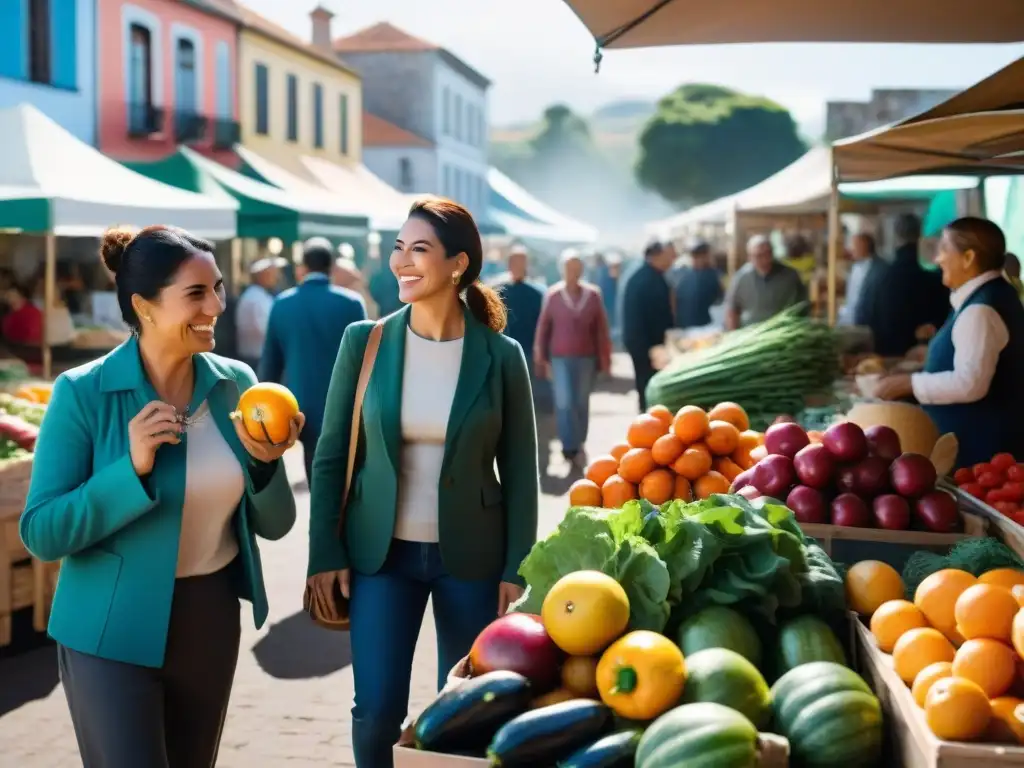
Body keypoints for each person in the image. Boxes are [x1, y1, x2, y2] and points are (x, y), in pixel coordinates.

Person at [19, 225, 301, 768]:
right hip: (107, 625)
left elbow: (277, 525)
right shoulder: (82, 392)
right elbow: (43, 532)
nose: (216, 305)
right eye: (196, 294)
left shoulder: (238, 384)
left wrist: (267, 467)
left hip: (209, 620)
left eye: (218, 288)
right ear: (144, 306)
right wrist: (131, 470)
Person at [305, 197, 539, 768]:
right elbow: (332, 455)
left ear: (458, 264)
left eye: (419, 250)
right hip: (380, 557)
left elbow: (523, 469)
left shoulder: (501, 355)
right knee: (376, 708)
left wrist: (518, 566)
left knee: (461, 709)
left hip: (474, 558)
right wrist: (323, 553)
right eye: (398, 249)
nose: (402, 262)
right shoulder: (365, 342)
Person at [875, 218, 1024, 467]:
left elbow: (971, 383)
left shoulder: (980, 310)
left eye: (944, 249)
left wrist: (909, 383)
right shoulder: (988, 297)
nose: (937, 259)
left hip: (983, 455)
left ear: (968, 258)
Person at [260, 237, 367, 488]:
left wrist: (263, 415)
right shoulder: (351, 303)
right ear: (332, 267)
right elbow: (368, 359)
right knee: (347, 483)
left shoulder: (282, 304)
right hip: (346, 406)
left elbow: (270, 366)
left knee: (315, 479)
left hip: (299, 408)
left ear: (302, 268)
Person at [534, 249, 612, 468]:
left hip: (586, 358)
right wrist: (541, 358)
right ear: (562, 270)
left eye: (577, 268)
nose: (573, 272)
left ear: (582, 270)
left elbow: (601, 331)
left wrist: (605, 361)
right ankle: (569, 446)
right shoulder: (553, 295)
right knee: (564, 401)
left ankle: (579, 442)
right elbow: (543, 329)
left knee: (580, 402)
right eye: (569, 268)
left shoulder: (593, 295)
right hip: (560, 358)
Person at [858, 213, 950, 357]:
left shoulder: (883, 275)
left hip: (889, 354)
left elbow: (868, 314)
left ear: (896, 236)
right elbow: (947, 312)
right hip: (930, 352)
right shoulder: (936, 273)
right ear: (920, 233)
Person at [622, 240, 675, 411]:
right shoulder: (645, 279)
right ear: (656, 256)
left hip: (648, 343)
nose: (672, 260)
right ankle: (647, 424)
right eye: (669, 255)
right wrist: (655, 347)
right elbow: (649, 316)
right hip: (646, 344)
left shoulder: (649, 275)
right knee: (648, 386)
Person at [724, 235, 807, 330]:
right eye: (759, 256)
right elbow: (732, 309)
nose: (765, 260)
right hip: (749, 333)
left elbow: (802, 306)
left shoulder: (790, 276)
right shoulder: (741, 278)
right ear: (750, 257)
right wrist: (732, 335)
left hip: (782, 331)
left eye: (768, 254)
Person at [493, 245, 544, 377]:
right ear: (509, 264)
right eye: (515, 262)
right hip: (504, 351)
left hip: (528, 350)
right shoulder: (498, 292)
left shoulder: (536, 294)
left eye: (522, 262)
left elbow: (541, 325)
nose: (519, 266)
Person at [234, 256, 285, 371]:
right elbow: (266, 329)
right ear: (263, 275)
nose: (277, 277)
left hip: (255, 357)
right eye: (273, 273)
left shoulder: (257, 295)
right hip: (256, 359)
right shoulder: (256, 298)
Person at [839, 232, 888, 326]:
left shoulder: (880, 269)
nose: (852, 249)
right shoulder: (855, 267)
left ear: (864, 246)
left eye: (855, 245)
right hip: (852, 321)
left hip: (870, 323)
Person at [673, 239, 724, 328]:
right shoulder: (683, 275)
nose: (698, 259)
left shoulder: (714, 275)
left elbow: (720, 300)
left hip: (706, 327)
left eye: (702, 255)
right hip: (687, 327)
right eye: (695, 256)